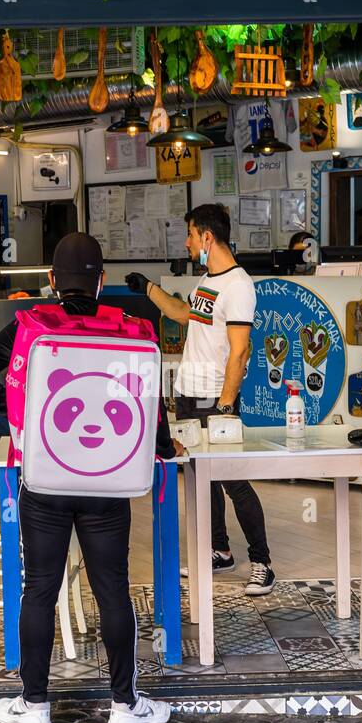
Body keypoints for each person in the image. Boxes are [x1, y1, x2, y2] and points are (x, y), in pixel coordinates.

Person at [0, 232, 181, 723]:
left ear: (51, 281)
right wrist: (165, 448)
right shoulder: (133, 329)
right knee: (112, 591)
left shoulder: (30, 327)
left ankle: (35, 705)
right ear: (102, 281)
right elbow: (151, 401)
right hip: (109, 486)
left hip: (45, 482)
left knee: (39, 589)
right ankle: (125, 706)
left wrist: (26, 415)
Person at [125, 204, 275, 596]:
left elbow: (240, 351)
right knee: (199, 479)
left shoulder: (239, 286)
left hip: (215, 398)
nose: (188, 243)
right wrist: (149, 289)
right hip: (190, 395)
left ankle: (262, 562)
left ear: (208, 236)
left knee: (233, 482)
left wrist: (226, 404)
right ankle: (220, 550)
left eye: (191, 235)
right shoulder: (207, 280)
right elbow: (185, 314)